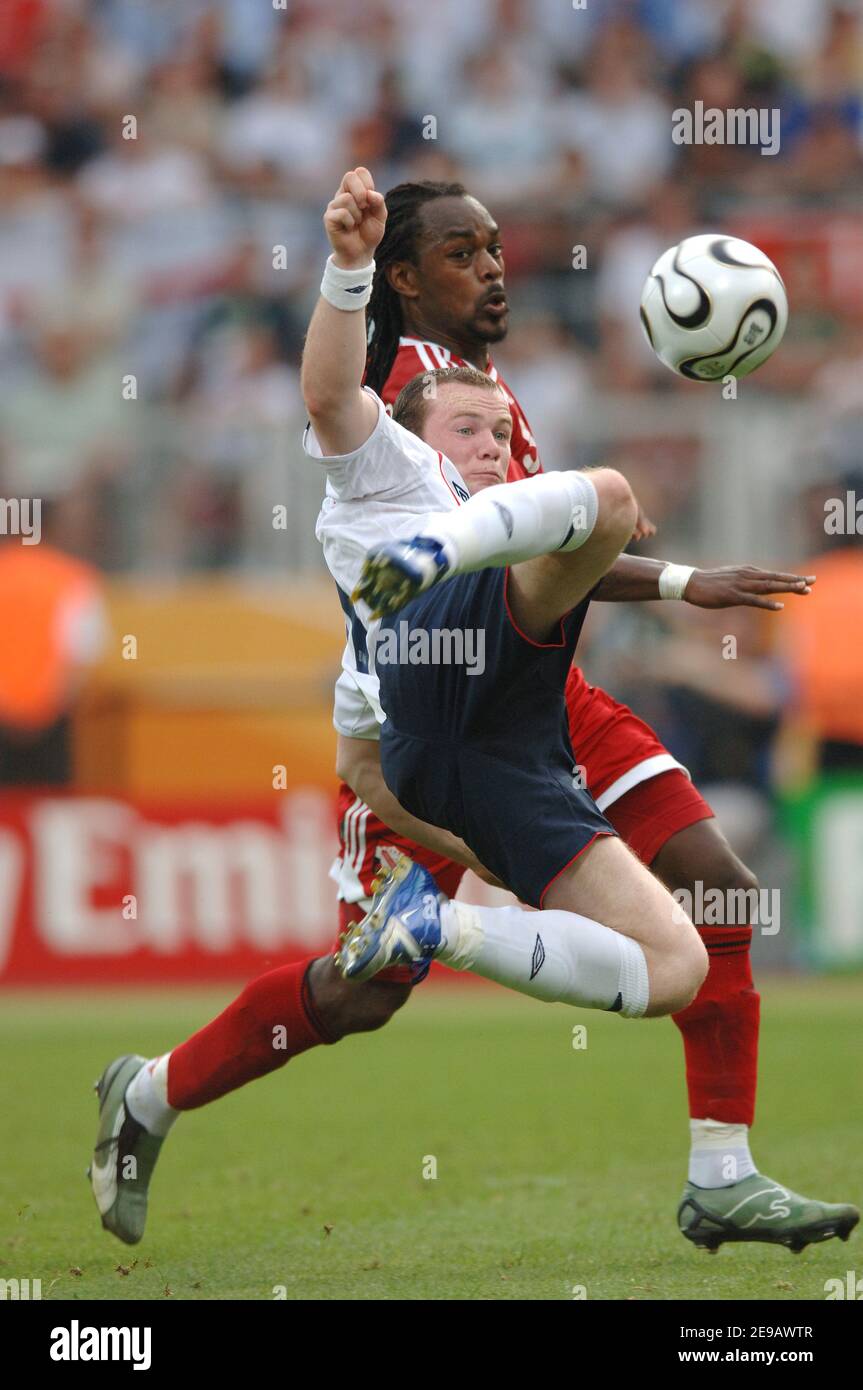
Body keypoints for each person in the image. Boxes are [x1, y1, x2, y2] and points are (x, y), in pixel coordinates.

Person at [88, 170, 857, 1256]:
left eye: (493, 247)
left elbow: (548, 554)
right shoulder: (394, 373)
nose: (491, 267)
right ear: (401, 276)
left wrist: (682, 581)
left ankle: (721, 1172)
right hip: (427, 696)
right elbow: (332, 388)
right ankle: (153, 1092)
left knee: (718, 887)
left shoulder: (489, 395)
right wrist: (344, 266)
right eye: (460, 253)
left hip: (545, 692)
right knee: (368, 990)